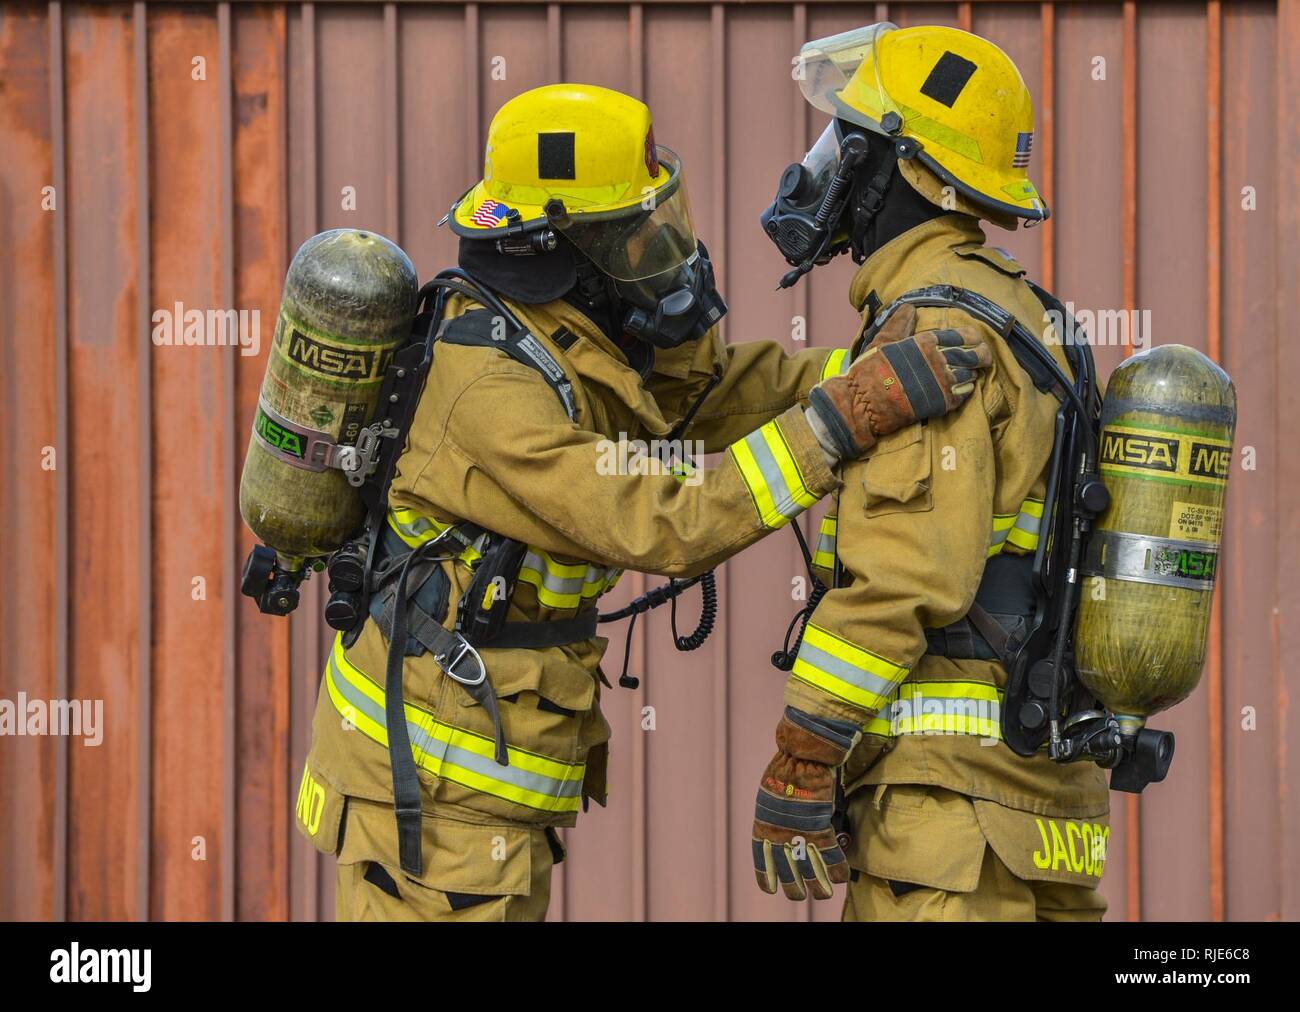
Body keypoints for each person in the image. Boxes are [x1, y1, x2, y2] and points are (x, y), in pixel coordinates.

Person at [293, 82, 993, 920]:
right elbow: (659, 519)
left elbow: (718, 394)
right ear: (557, 251)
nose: (663, 250)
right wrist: (839, 425)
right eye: (634, 236)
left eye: (662, 218)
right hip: (422, 804)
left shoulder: (567, 336)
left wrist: (875, 370)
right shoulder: (483, 388)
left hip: (487, 793)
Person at [750, 24, 1111, 921]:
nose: (824, 165)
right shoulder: (1026, 312)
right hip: (1038, 819)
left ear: (901, 169)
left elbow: (911, 574)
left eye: (848, 141)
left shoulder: (933, 327)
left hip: (948, 828)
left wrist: (804, 753)